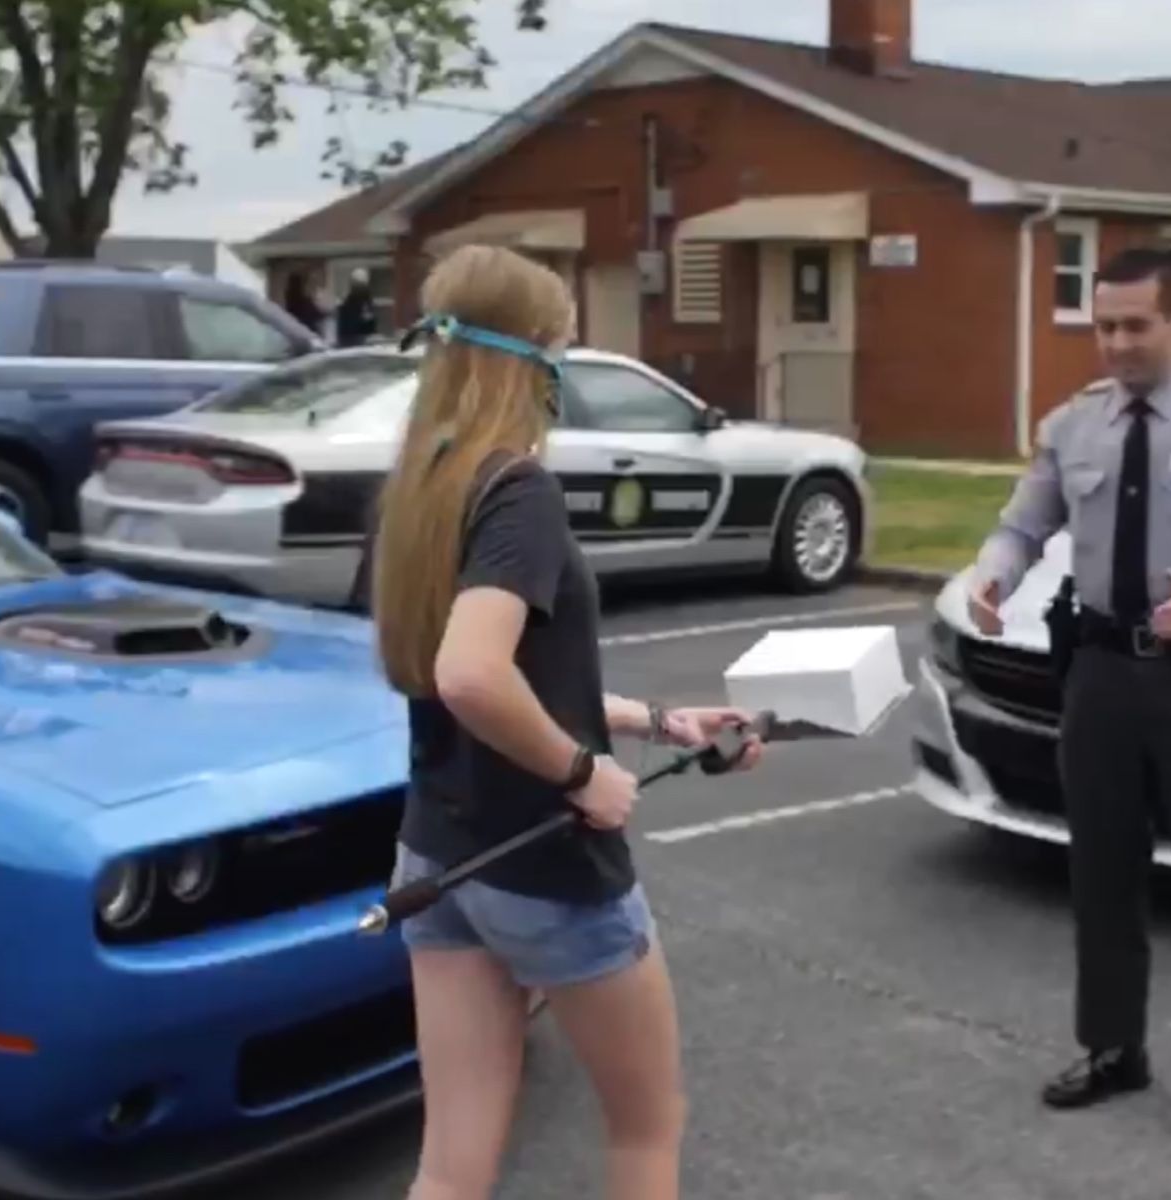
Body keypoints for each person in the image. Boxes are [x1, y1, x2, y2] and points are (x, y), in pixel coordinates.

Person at [367, 242, 765, 1200]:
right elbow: (469, 675)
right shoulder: (518, 492)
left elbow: (493, 671)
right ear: (529, 359)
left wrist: (654, 720)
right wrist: (583, 774)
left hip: (437, 861)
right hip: (544, 869)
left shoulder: (419, 490)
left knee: (452, 1165)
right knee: (645, 1130)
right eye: (562, 355)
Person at [964, 246, 1171, 1157]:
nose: (1114, 342)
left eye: (1134, 325)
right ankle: (1113, 1049)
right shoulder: (1073, 425)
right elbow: (1024, 522)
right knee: (1101, 874)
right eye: (1102, 325)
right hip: (1103, 677)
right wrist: (992, 575)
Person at [336, 267, 380, 347]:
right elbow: (347, 330)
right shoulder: (348, 305)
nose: (361, 288)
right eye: (358, 285)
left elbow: (371, 323)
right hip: (352, 343)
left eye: (362, 285)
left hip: (366, 342)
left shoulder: (367, 302)